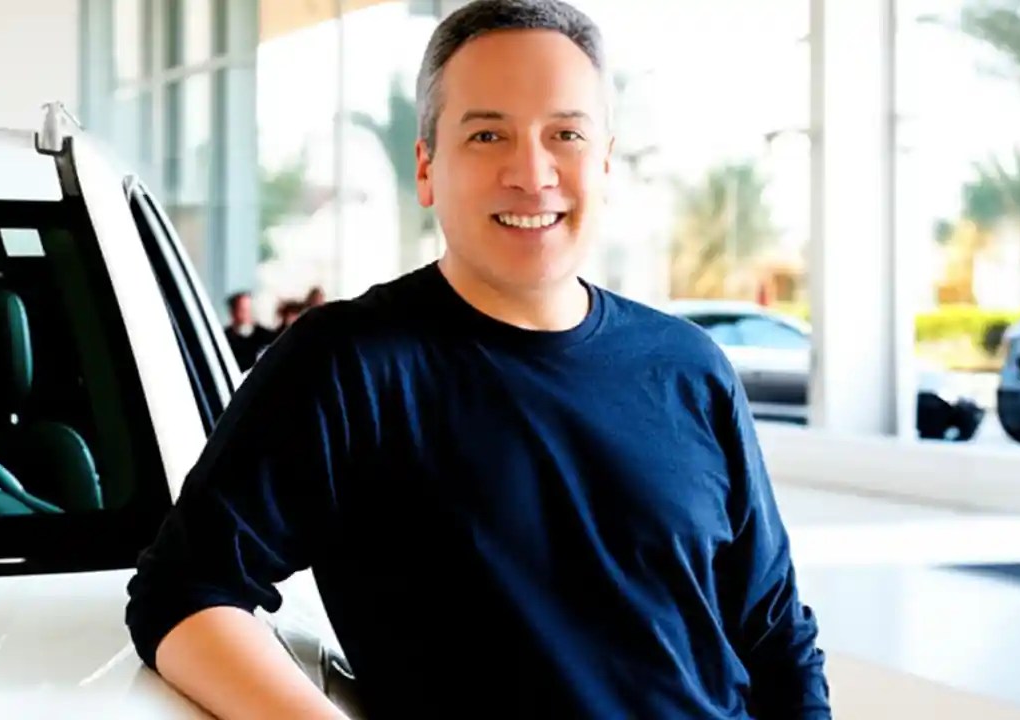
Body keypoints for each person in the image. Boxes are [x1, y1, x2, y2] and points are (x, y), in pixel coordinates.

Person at [124, 1, 830, 718]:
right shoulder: (346, 366)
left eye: (565, 135)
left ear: (605, 163)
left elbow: (775, 635)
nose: (532, 172)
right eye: (488, 134)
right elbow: (181, 595)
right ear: (428, 168)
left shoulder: (688, 366)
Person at [222, 291, 276, 371]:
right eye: (242, 310)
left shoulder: (266, 336)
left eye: (249, 309)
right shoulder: (223, 339)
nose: (247, 314)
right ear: (232, 312)